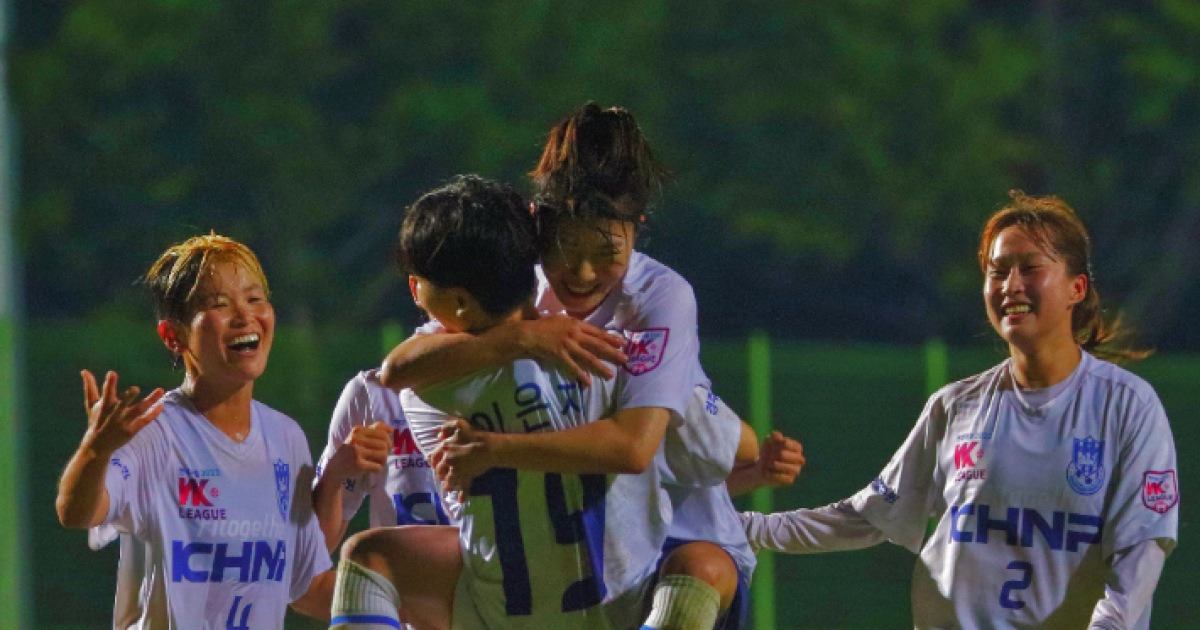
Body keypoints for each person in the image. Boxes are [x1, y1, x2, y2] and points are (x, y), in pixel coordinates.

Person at [380, 103, 804, 629]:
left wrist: (495, 451)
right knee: (371, 555)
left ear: (636, 228)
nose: (582, 273)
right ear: (539, 226)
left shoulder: (658, 300)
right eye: (565, 248)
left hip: (665, 549)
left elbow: (634, 448)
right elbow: (399, 367)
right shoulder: (517, 288)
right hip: (568, 564)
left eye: (606, 252)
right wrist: (523, 337)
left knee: (701, 564)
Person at [740, 191, 1179, 629]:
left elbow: (1142, 547)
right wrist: (752, 528)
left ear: (1076, 288)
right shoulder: (955, 407)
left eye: (1029, 268)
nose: (1010, 286)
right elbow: (867, 515)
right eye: (997, 272)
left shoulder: (1128, 407)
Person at [55, 233, 342, 628]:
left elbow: (307, 586)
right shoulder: (154, 433)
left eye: (255, 299)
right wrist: (94, 450)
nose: (245, 315)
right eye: (219, 304)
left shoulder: (286, 439)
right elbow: (76, 512)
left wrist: (409, 598)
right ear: (174, 336)